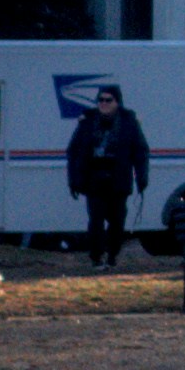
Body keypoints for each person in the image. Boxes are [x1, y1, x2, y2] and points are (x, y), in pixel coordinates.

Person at [63, 83, 151, 267]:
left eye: (108, 100)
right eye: (100, 100)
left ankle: (112, 255)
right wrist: (73, 180)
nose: (103, 103)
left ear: (117, 102)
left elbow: (140, 152)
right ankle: (96, 257)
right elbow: (73, 151)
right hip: (94, 178)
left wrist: (142, 178)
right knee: (95, 221)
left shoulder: (129, 123)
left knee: (117, 222)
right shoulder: (87, 122)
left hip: (118, 179)